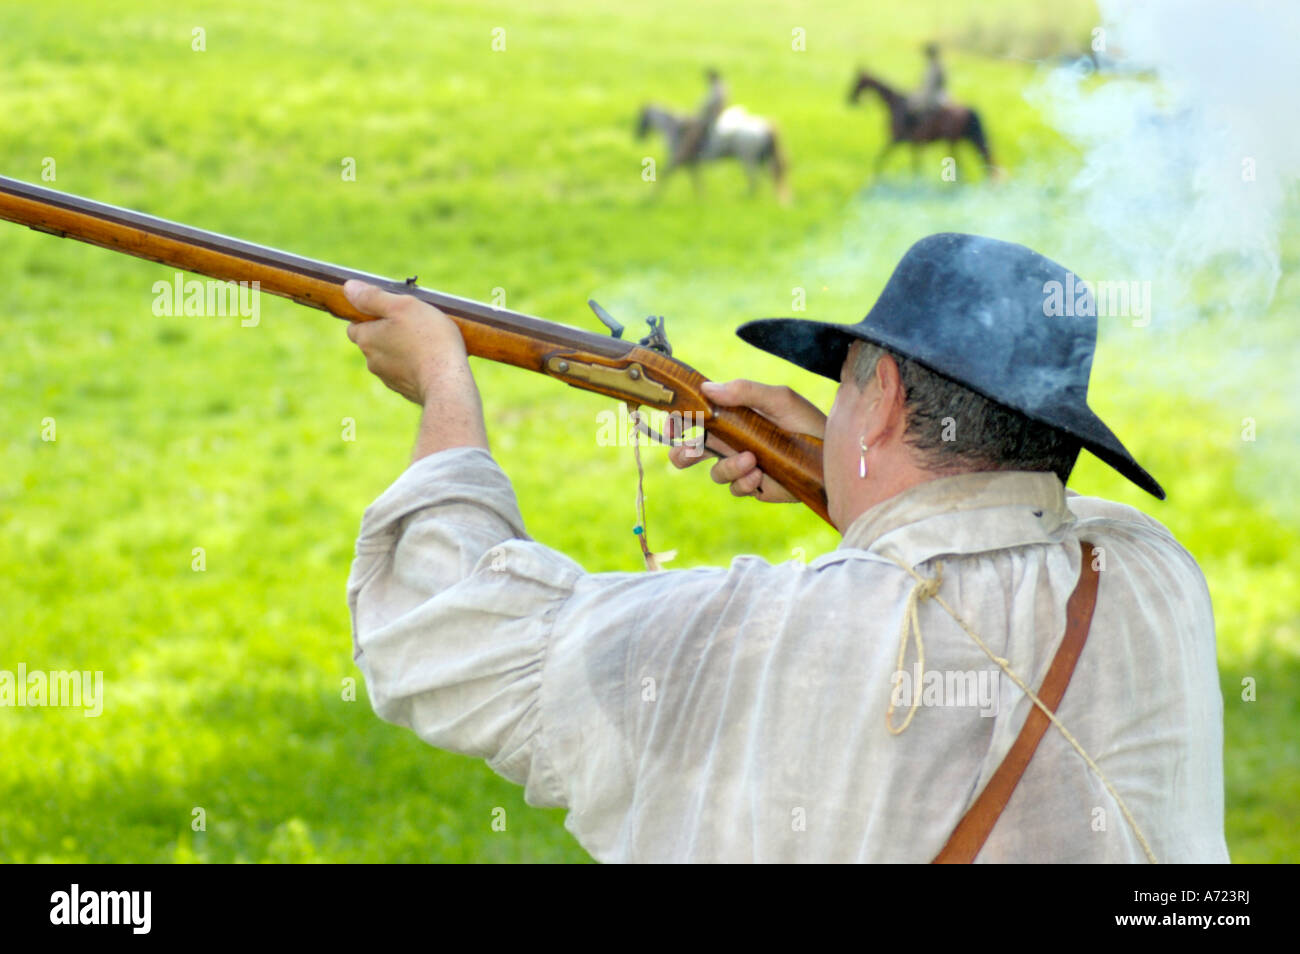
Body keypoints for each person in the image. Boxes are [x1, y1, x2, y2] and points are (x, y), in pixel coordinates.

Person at [341, 233, 1229, 863]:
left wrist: (444, 384)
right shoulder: (1152, 573)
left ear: (879, 395)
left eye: (845, 385)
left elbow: (440, 634)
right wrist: (843, 473)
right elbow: (990, 534)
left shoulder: (757, 635)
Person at [672, 68, 728, 166]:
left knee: (692, 133)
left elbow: (709, 106)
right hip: (709, 117)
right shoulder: (721, 87)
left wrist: (698, 115)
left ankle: (684, 154)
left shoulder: (717, 89)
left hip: (708, 119)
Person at [907, 42, 948, 119]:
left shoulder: (935, 67)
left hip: (934, 96)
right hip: (938, 94)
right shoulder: (935, 65)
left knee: (913, 106)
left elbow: (930, 85)